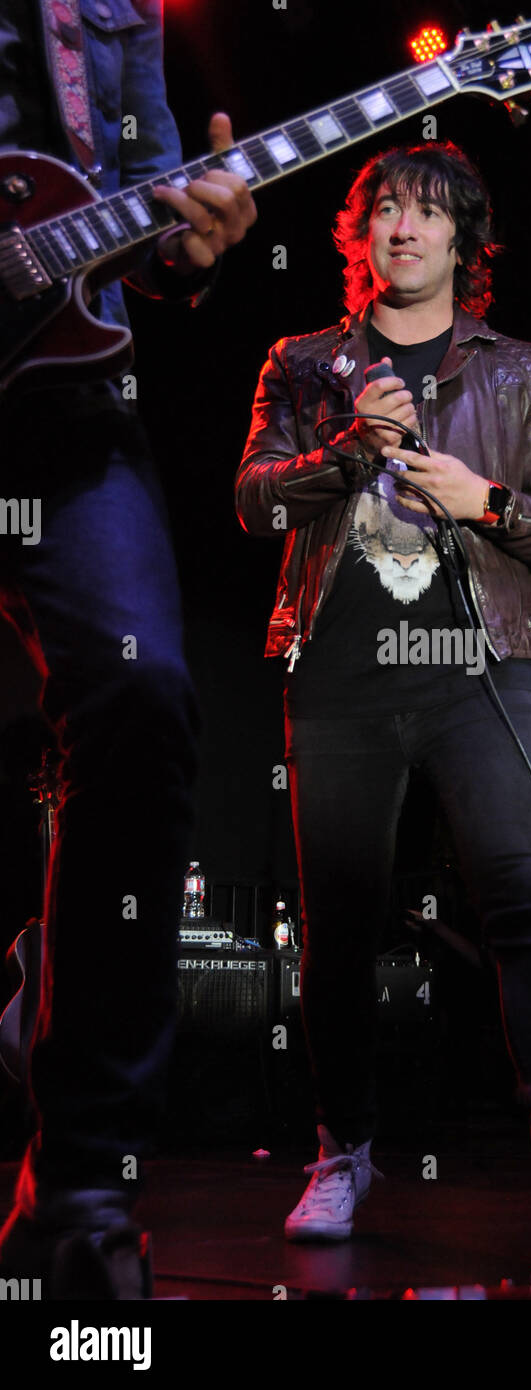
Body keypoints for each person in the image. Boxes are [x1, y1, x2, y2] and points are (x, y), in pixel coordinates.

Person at [235, 140, 531, 1260]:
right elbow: (252, 504)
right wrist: (341, 454)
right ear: (358, 234)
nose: (403, 229)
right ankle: (343, 1149)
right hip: (336, 678)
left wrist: (484, 497)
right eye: (384, 211)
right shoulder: (303, 359)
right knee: (341, 924)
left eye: (428, 214)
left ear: (465, 241)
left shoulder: (518, 370)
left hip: (482, 669)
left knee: (523, 900)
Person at [0, 0, 256, 1298]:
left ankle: (85, 1178)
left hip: (61, 405)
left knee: (145, 692)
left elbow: (157, 223)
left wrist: (198, 237)